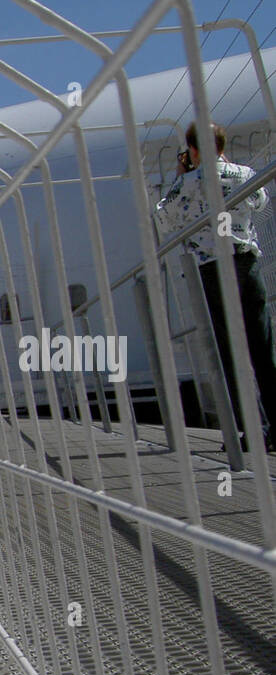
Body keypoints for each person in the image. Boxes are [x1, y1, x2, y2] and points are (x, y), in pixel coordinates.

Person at [156, 121, 276, 449]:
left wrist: (182, 176)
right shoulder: (244, 174)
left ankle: (251, 430)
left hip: (212, 270)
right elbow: (261, 202)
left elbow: (164, 220)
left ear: (193, 150)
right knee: (263, 348)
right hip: (245, 263)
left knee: (229, 352)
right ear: (221, 146)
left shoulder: (188, 183)